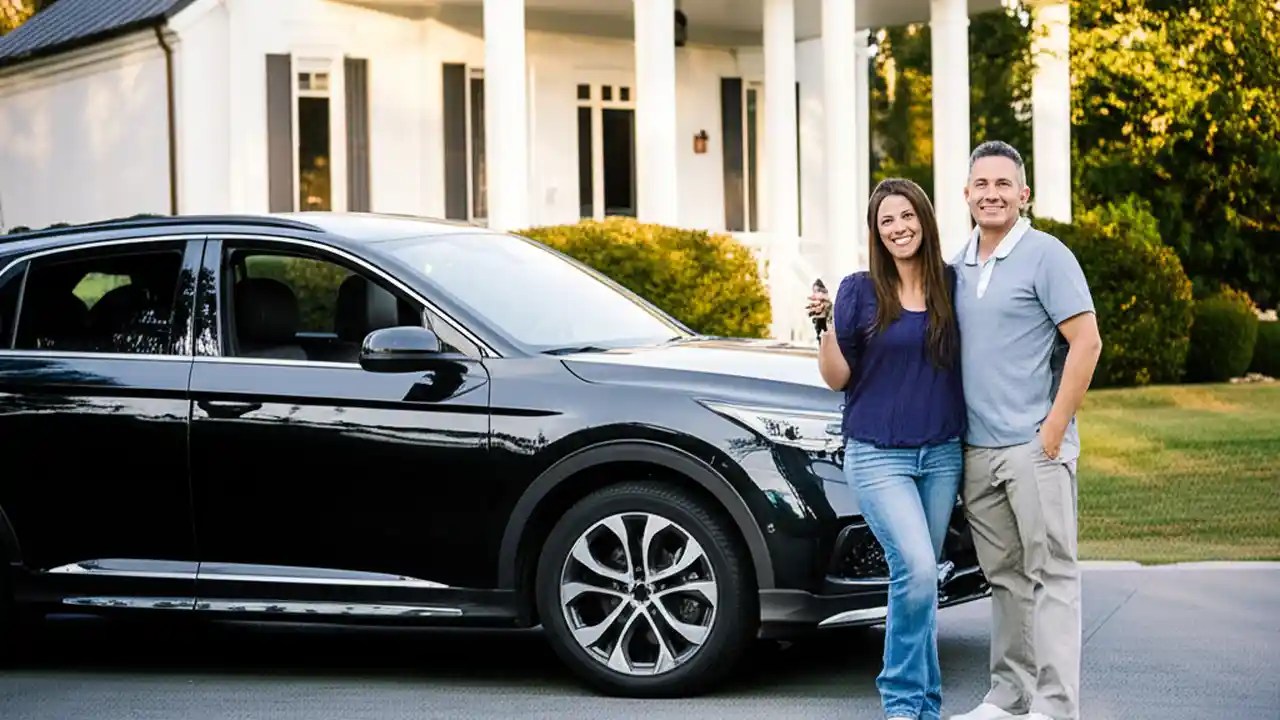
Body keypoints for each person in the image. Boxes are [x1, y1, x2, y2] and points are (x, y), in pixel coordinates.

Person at [947, 141, 1102, 720]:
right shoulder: (958, 262)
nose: (991, 194)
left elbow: (1086, 342)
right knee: (1005, 580)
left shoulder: (1047, 255)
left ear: (1023, 194)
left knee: (1053, 576)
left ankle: (1056, 707)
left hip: (1034, 448)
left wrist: (1054, 432)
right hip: (978, 451)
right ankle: (1008, 697)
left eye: (1003, 184)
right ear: (966, 195)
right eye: (981, 185)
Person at [808, 177, 967, 720]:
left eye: (907, 217)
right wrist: (825, 327)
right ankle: (901, 701)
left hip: (941, 453)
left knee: (920, 582)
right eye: (886, 222)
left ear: (924, 218)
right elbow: (837, 377)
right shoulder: (859, 290)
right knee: (918, 571)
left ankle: (926, 705)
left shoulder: (951, 283)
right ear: (877, 233)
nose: (899, 228)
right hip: (877, 454)